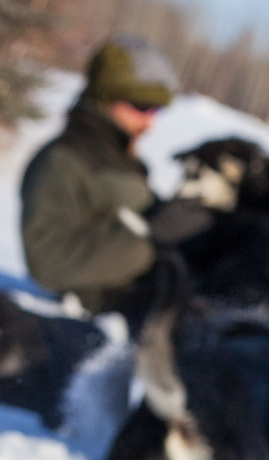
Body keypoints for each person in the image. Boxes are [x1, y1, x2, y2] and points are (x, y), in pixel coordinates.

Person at [20, 34, 210, 324]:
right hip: (93, 325)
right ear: (106, 97)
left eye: (156, 109)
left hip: (153, 305)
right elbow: (46, 261)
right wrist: (151, 239)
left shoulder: (122, 159)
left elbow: (142, 219)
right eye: (141, 106)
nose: (150, 122)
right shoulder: (61, 161)